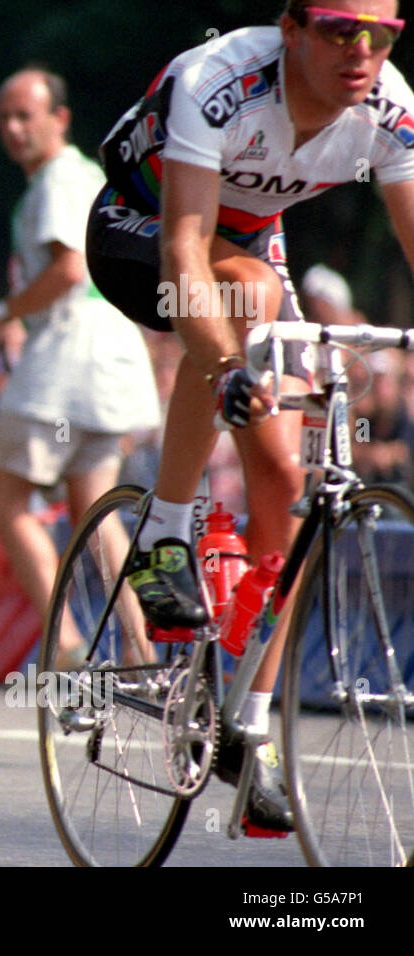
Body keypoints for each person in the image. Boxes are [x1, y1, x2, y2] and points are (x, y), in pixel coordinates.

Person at [86, 0, 414, 832]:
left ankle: (248, 723)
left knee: (284, 480)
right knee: (248, 295)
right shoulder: (221, 82)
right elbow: (184, 254)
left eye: (382, 35)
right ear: (293, 29)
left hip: (252, 243)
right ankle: (163, 535)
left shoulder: (390, 107)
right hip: (145, 225)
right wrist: (228, 367)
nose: (362, 51)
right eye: (342, 30)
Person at [0, 68, 160, 670]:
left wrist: (3, 313)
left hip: (66, 353)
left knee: (6, 501)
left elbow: (67, 271)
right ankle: (139, 652)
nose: (13, 128)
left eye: (25, 115)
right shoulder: (92, 173)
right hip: (114, 350)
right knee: (95, 507)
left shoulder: (57, 179)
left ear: (59, 119)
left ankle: (61, 644)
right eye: (6, 116)